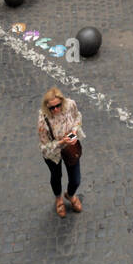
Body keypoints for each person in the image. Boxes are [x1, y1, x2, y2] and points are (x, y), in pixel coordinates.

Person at [38, 87, 84, 217]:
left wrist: (74, 132)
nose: (56, 109)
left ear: (62, 102)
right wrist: (61, 142)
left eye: (58, 105)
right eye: (52, 108)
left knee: (75, 179)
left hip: (70, 148)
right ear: (47, 107)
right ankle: (59, 199)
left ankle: (70, 195)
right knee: (56, 176)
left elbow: (77, 118)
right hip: (54, 152)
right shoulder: (43, 120)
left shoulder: (70, 105)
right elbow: (44, 146)